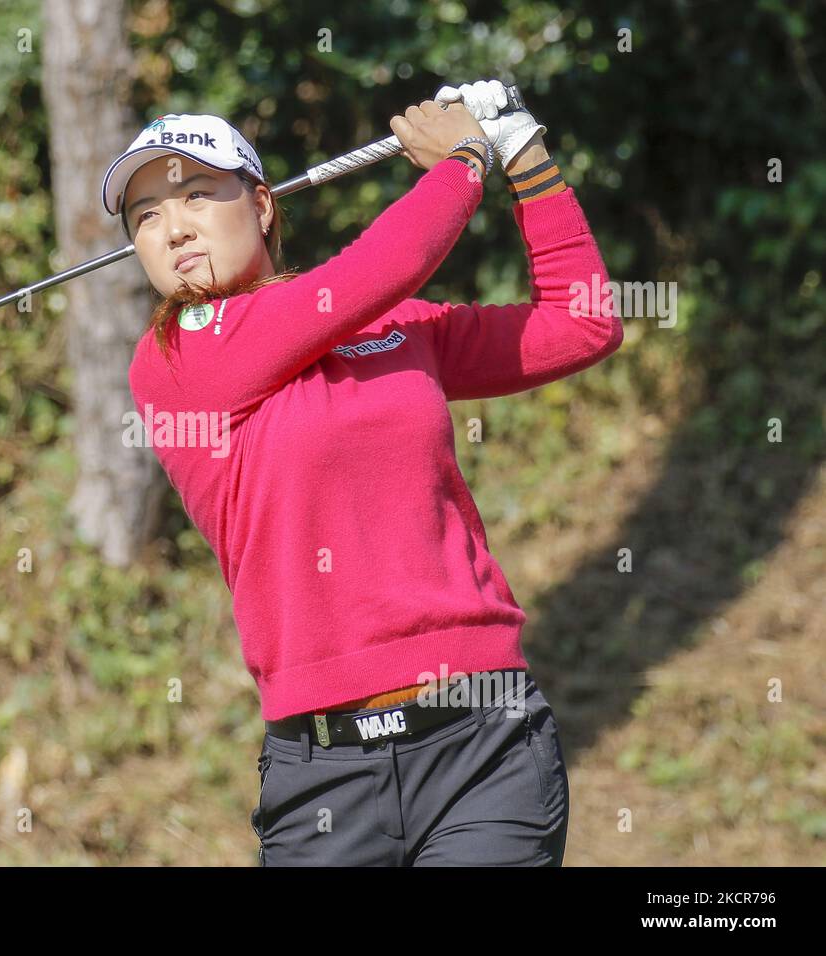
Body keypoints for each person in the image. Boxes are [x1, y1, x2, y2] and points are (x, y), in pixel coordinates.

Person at [100, 81, 621, 866]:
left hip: (485, 745)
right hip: (324, 783)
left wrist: (524, 155)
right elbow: (387, 263)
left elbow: (581, 324)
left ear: (264, 205)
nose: (172, 229)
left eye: (197, 196)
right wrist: (464, 161)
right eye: (145, 216)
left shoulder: (390, 331)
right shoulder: (175, 361)